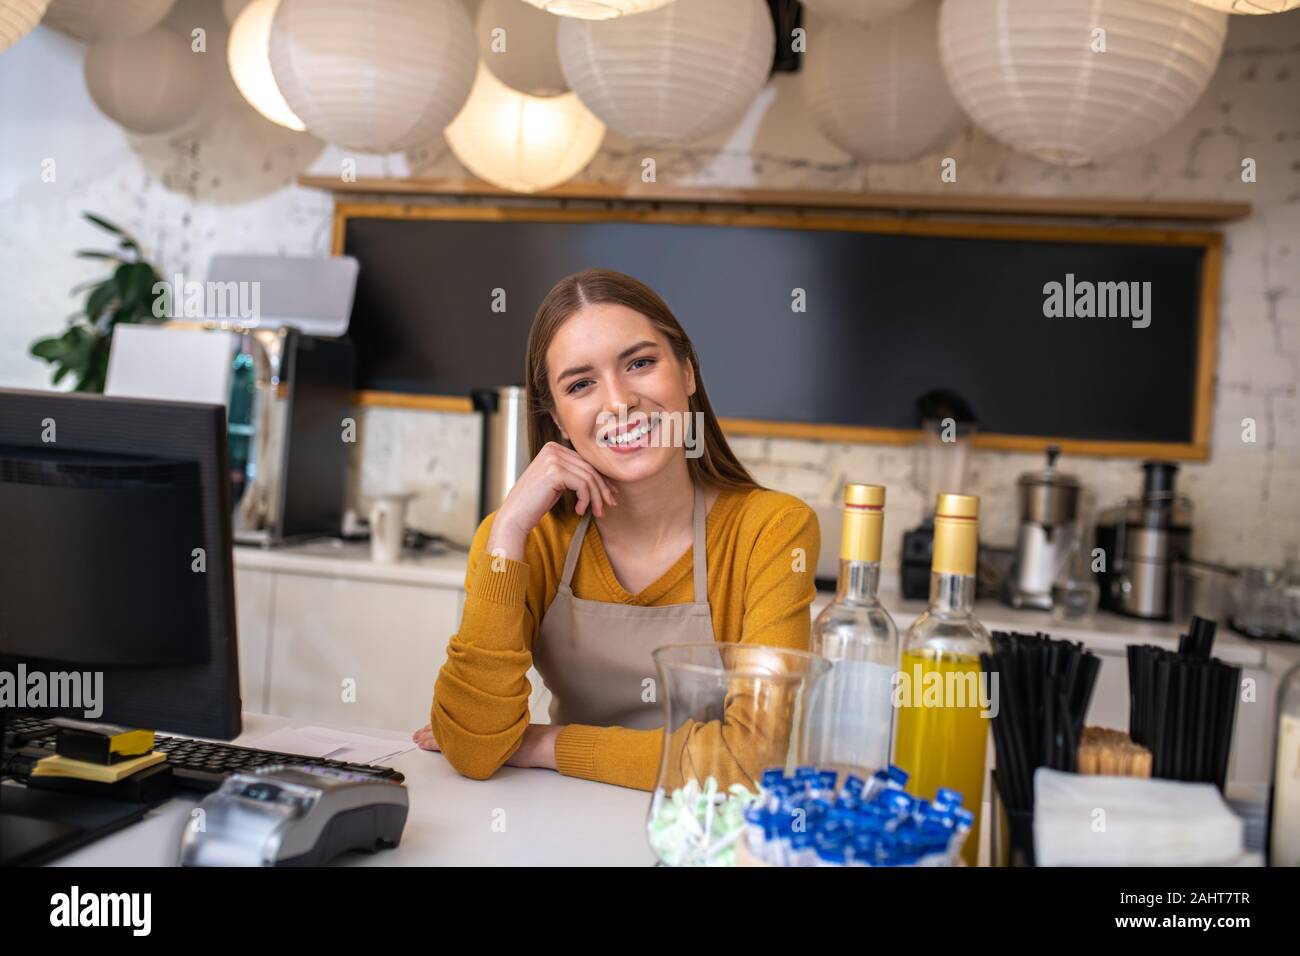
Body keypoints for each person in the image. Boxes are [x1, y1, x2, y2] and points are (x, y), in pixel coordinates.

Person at [412, 268, 819, 790]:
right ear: (557, 417)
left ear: (688, 372)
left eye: (641, 363)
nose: (619, 402)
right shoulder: (524, 539)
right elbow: (473, 745)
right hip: (558, 823)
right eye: (581, 384)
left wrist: (540, 744)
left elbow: (749, 759)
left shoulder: (772, 531)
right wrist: (509, 529)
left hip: (701, 837)